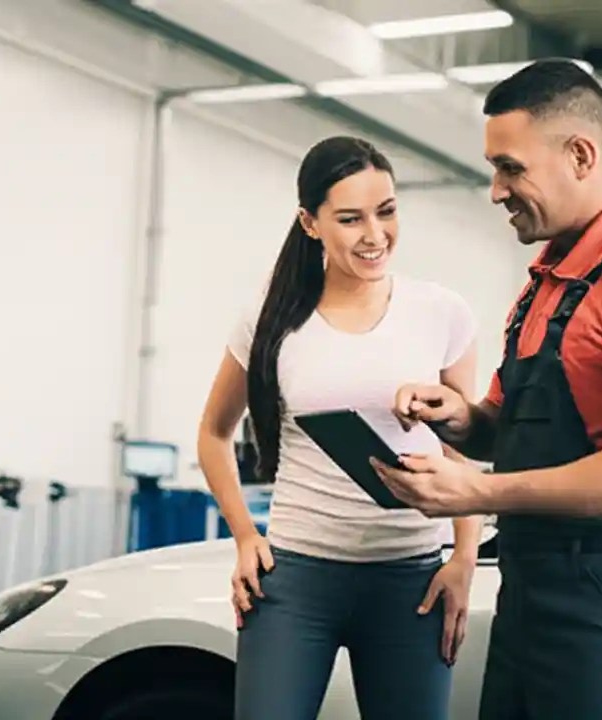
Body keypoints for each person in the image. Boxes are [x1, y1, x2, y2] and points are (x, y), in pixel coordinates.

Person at [372, 59, 602, 720]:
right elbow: (511, 424)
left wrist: (478, 493)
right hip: (531, 593)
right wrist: (460, 419)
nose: (495, 190)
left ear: (579, 155)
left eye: (510, 168)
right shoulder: (550, 278)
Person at [196, 135, 485, 720]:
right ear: (310, 222)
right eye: (350, 219)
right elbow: (213, 432)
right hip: (296, 577)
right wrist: (246, 535)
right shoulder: (272, 319)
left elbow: (464, 448)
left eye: (387, 211)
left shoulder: (441, 312)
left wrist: (463, 559)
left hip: (412, 581)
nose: (374, 235)